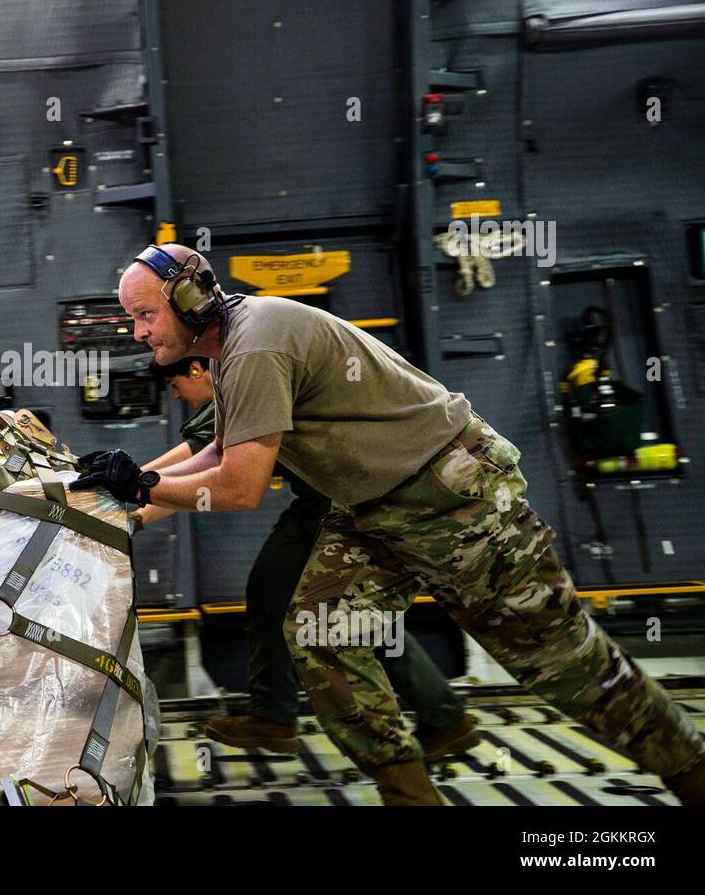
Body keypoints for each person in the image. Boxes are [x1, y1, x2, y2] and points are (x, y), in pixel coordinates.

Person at [72, 242, 705, 805]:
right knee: (321, 632)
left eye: (145, 314)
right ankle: (410, 795)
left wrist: (143, 485)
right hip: (379, 508)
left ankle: (692, 772)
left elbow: (239, 486)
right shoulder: (236, 346)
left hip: (456, 497)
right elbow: (213, 454)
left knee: (561, 662)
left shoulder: (256, 343)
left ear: (188, 300)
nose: (136, 332)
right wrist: (107, 507)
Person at [138, 357, 480, 759]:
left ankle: (276, 717)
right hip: (346, 497)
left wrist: (129, 508)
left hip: (338, 503)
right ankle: (443, 717)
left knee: (283, 596)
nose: (175, 394)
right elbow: (191, 465)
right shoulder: (246, 380)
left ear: (197, 369)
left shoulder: (239, 384)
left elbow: (202, 465)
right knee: (344, 614)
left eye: (175, 383)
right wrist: (131, 485)